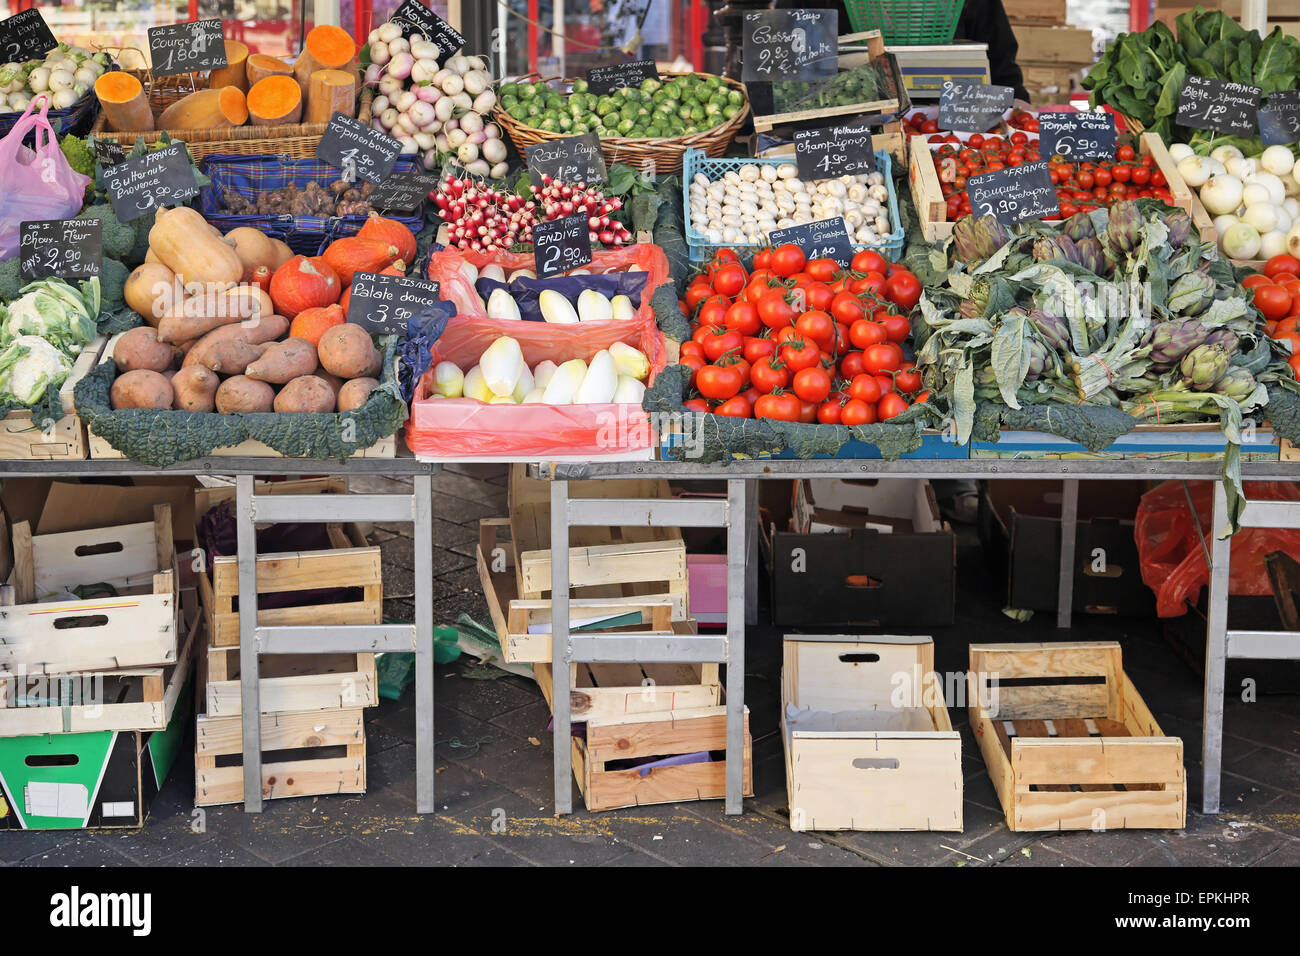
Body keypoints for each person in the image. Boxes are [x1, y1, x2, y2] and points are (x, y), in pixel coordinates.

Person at [773, 0, 1030, 100]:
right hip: (848, 125)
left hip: (948, 129)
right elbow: (786, 49)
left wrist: (1015, 98)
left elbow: (1000, 60)